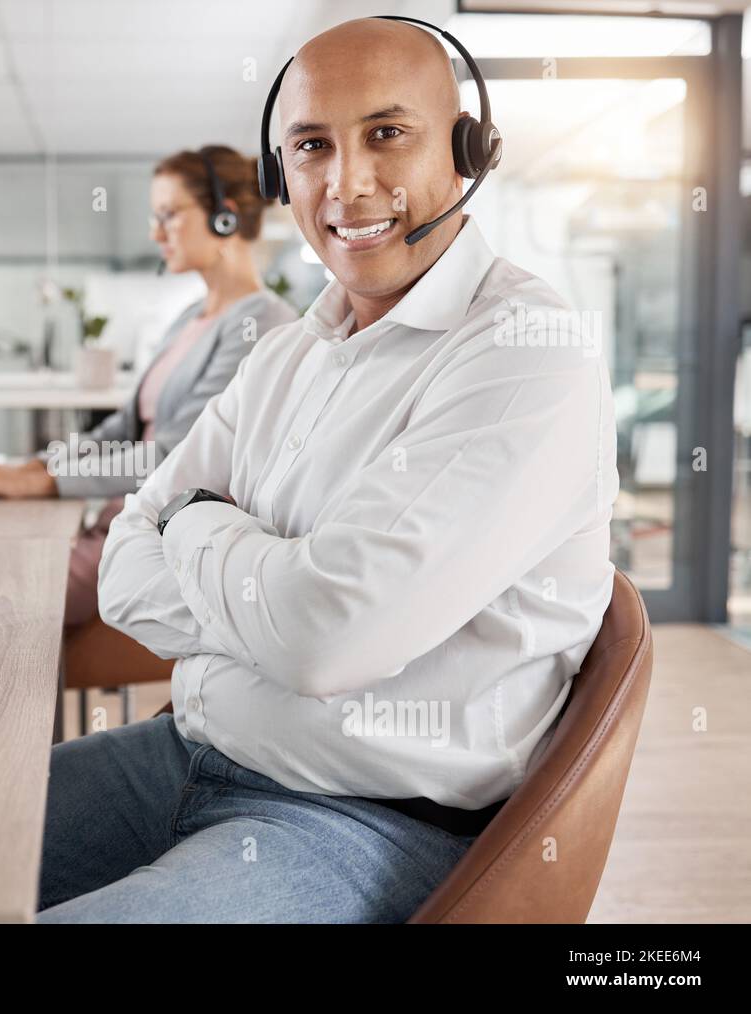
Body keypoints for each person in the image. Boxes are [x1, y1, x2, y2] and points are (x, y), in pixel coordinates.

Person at [37, 17, 618, 923]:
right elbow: (123, 572)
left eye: (387, 134)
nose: (346, 184)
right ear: (280, 178)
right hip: (182, 751)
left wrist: (191, 519)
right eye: (311, 147)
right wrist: (270, 589)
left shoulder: (525, 352)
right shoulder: (285, 355)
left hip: (363, 821)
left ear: (469, 150)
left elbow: (323, 637)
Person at [0, 145, 295, 626]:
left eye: (168, 216)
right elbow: (121, 429)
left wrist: (45, 482)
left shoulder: (262, 322)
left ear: (224, 217)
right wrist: (37, 465)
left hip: (161, 537)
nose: (155, 233)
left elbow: (177, 456)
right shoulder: (190, 317)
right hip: (121, 515)